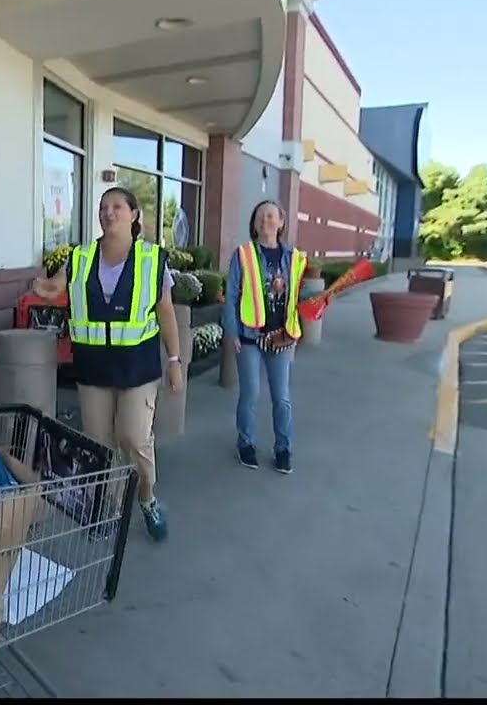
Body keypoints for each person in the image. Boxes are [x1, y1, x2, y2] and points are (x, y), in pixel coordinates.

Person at [32, 187, 184, 542]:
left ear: (133, 215)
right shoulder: (82, 256)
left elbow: (166, 312)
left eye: (117, 206)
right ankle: (110, 508)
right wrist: (43, 286)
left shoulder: (152, 258)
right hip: (94, 367)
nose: (108, 212)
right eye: (103, 207)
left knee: (132, 437)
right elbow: (55, 288)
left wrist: (175, 359)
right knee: (99, 445)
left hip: (138, 368)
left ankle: (146, 498)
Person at [221, 200, 308, 474]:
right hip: (249, 336)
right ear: (254, 223)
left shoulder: (295, 258)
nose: (266, 221)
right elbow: (232, 295)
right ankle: (245, 443)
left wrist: (315, 306)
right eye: (260, 216)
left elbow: (298, 296)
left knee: (281, 398)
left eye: (271, 216)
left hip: (280, 337)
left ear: (281, 222)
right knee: (250, 394)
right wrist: (231, 330)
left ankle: (283, 449)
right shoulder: (243, 254)